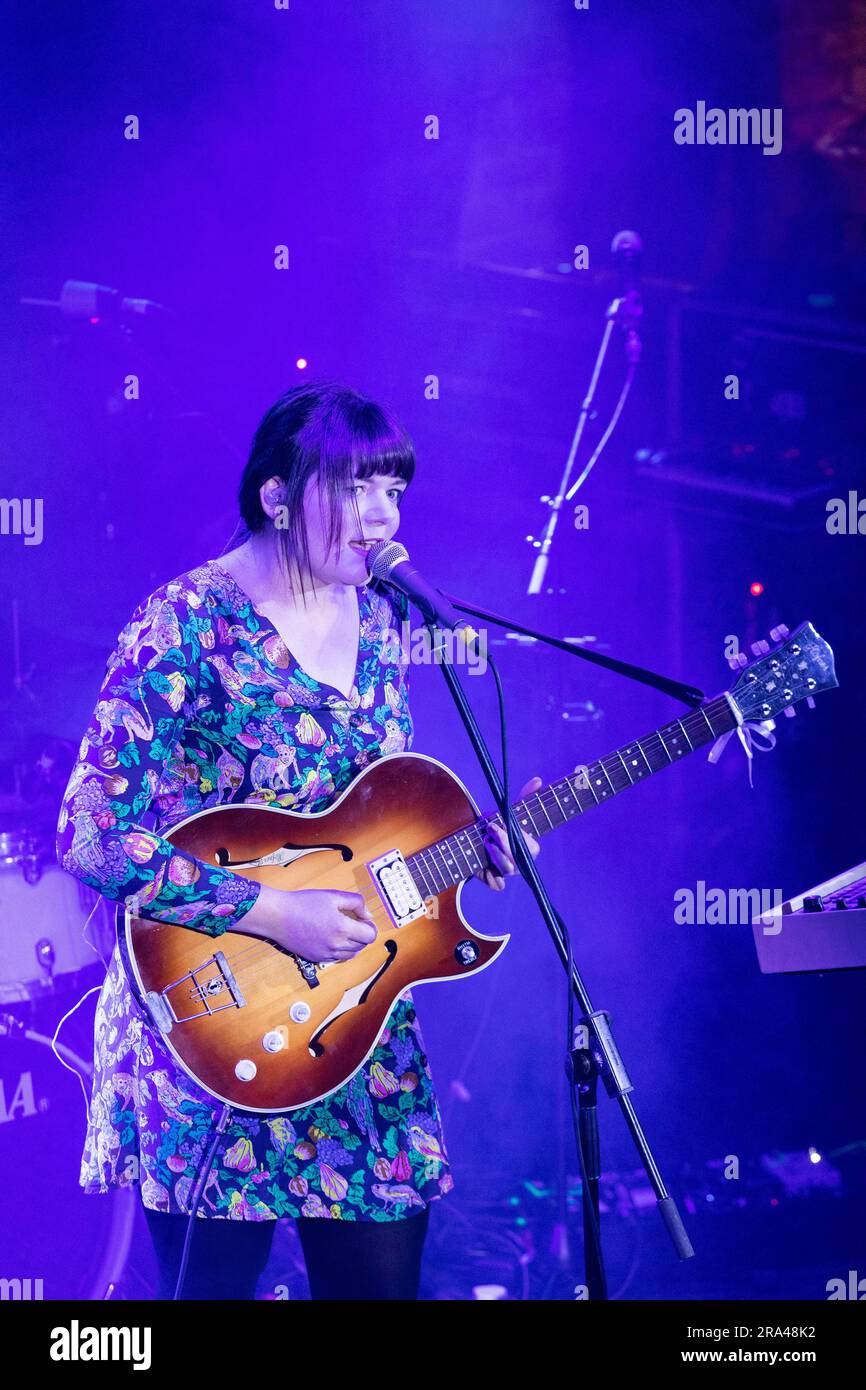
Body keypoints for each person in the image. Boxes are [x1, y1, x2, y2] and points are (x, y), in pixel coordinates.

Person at [57, 381, 540, 1300]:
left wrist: (470, 851)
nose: (380, 514)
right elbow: (92, 835)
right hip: (211, 1026)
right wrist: (274, 911)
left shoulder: (391, 622)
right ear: (276, 498)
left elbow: (364, 827)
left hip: (357, 1035)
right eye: (354, 488)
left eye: (393, 490)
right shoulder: (186, 623)